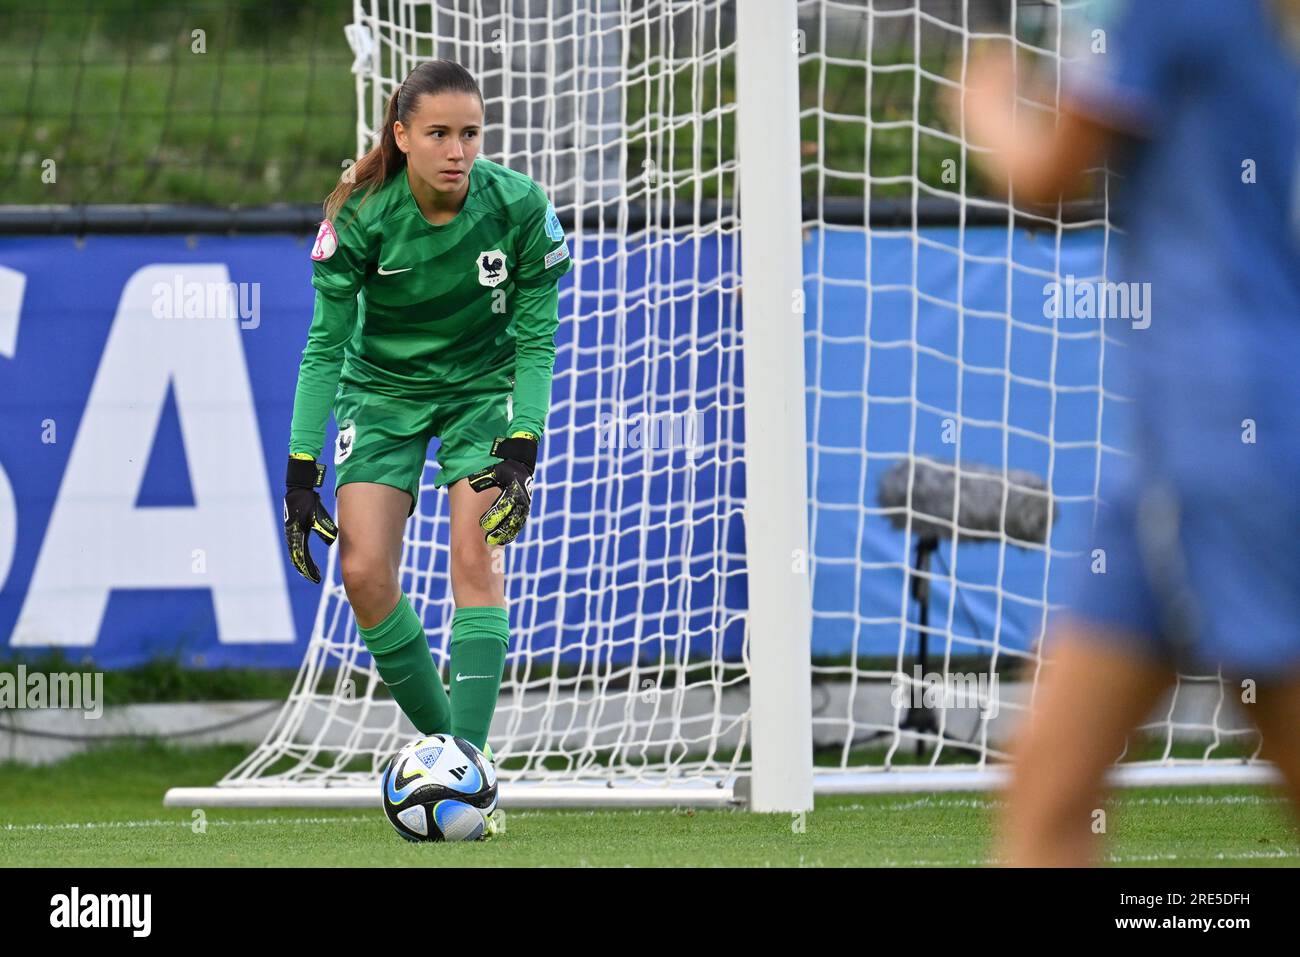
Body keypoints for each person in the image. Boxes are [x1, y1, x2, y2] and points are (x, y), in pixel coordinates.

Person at [949, 0, 1300, 865]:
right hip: (1168, 452)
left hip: (1231, 438)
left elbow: (1047, 174)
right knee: (1047, 786)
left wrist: (984, 98)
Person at [281, 60, 573, 779]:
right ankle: (466, 768)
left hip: (483, 390)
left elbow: (536, 338)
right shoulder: (359, 214)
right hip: (381, 392)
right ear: (402, 134)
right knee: (363, 570)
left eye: (470, 133)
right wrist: (299, 470)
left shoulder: (520, 208)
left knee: (476, 559)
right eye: (439, 133)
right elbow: (324, 346)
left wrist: (522, 442)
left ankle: (466, 770)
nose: (458, 151)